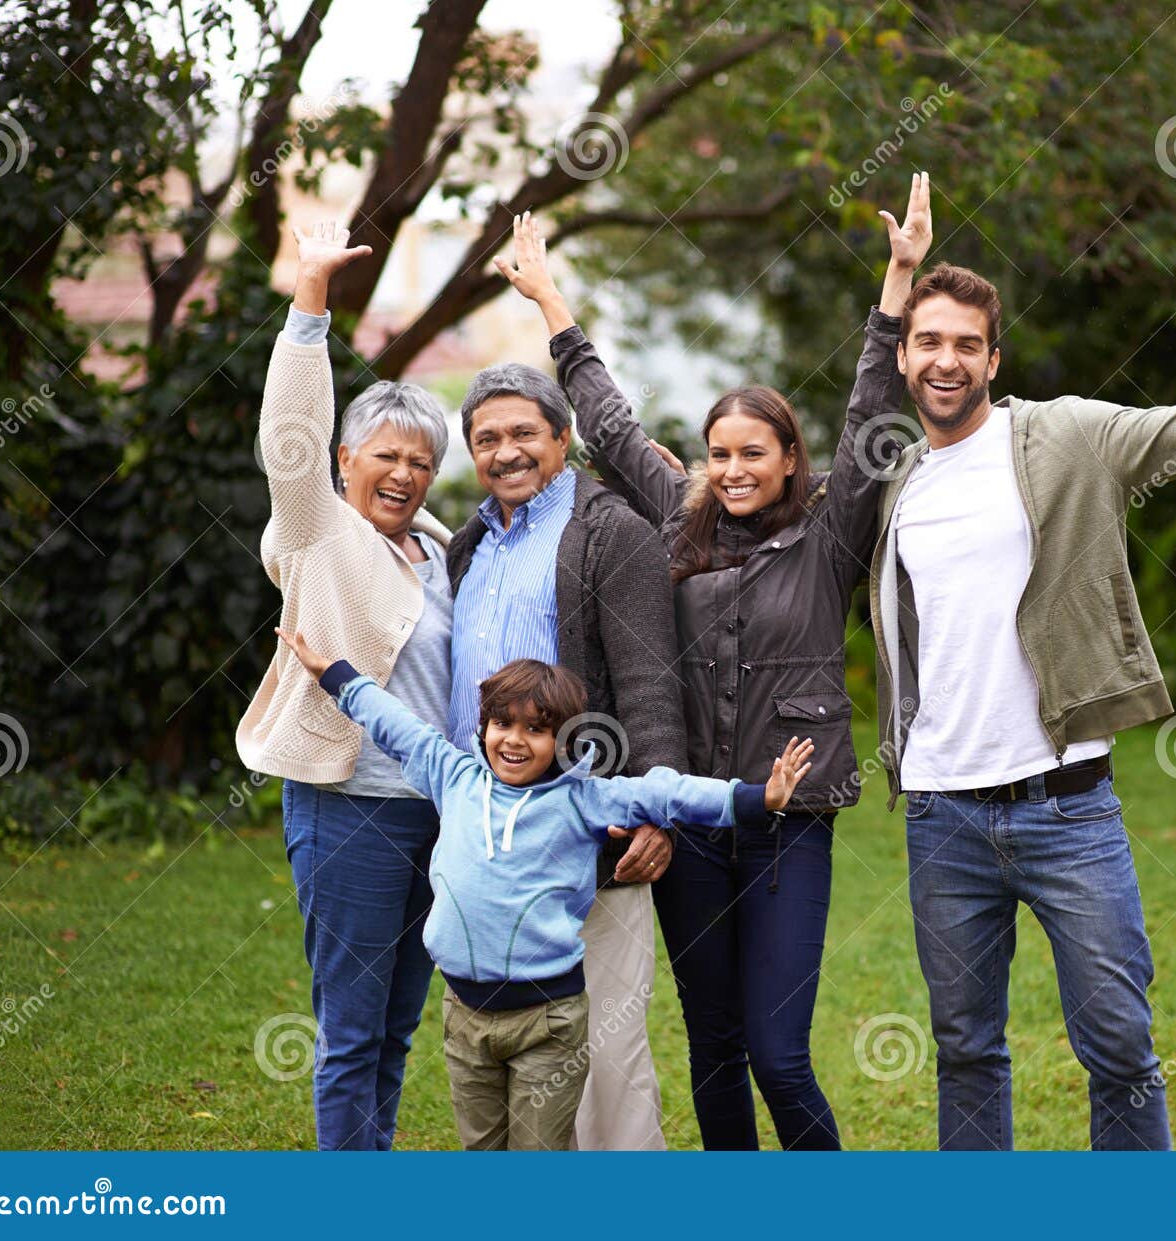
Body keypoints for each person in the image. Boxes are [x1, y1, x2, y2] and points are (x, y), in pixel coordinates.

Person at [870, 209, 1176, 1150]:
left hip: (1067, 808)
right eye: (926, 341)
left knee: (1120, 1046)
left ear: (993, 361)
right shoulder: (896, 482)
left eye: (966, 346)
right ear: (903, 356)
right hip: (941, 811)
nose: (945, 360)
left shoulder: (1069, 437)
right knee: (966, 1048)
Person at [492, 174, 933, 1148]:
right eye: (717, 452)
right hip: (695, 822)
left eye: (752, 452)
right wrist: (550, 302)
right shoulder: (679, 519)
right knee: (715, 1049)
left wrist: (897, 285)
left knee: (778, 1053)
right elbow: (606, 424)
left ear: (788, 459)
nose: (731, 468)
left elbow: (870, 417)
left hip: (789, 825)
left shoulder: (829, 535)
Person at [273, 627, 815, 1149]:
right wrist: (337, 676)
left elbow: (664, 793)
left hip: (548, 1024)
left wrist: (755, 799)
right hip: (464, 1020)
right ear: (482, 727)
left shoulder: (583, 799)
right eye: (501, 724)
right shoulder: (455, 778)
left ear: (563, 740)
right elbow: (395, 724)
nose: (513, 740)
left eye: (536, 729)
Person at [236, 221, 455, 1150]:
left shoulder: (442, 549)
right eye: (386, 455)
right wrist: (310, 303)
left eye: (421, 459)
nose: (404, 472)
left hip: (432, 812)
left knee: (398, 1030)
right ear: (344, 462)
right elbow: (290, 429)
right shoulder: (320, 531)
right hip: (348, 806)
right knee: (352, 1034)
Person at [444, 342, 686, 1150]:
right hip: (492, 846)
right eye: (486, 438)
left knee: (606, 1049)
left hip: (592, 836)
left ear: (562, 437)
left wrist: (658, 806)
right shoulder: (467, 546)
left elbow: (650, 680)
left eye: (523, 433)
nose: (505, 451)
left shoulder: (609, 529)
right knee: (517, 1064)